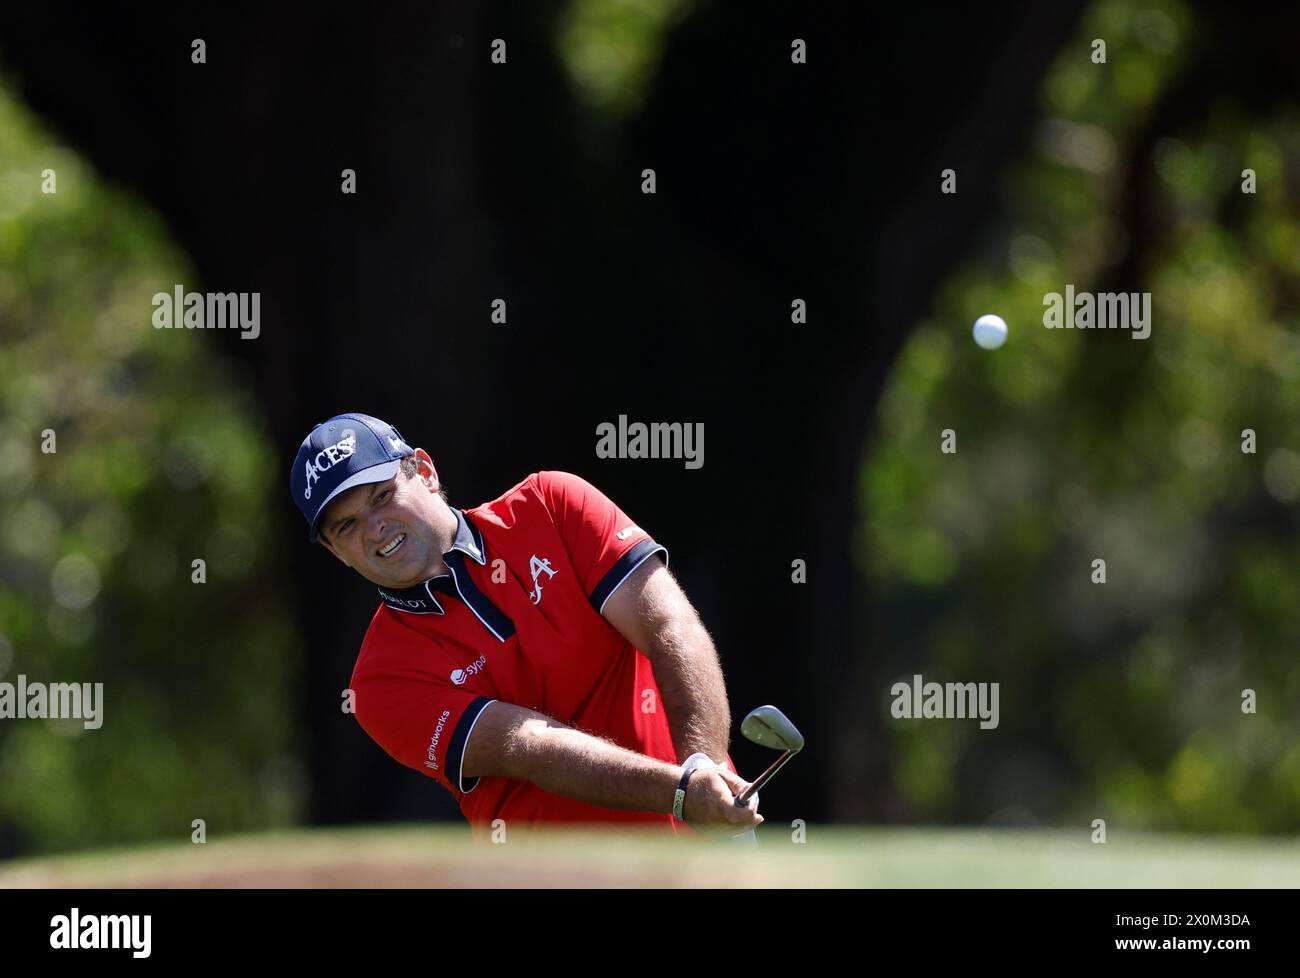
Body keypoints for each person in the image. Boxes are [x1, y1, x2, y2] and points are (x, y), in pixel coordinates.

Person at [289, 412, 762, 841]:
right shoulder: (378, 682)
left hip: (710, 837)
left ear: (426, 472)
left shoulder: (550, 505)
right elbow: (530, 746)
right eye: (347, 526)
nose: (374, 528)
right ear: (336, 553)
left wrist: (707, 768)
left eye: (383, 496)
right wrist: (682, 791)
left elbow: (667, 624)